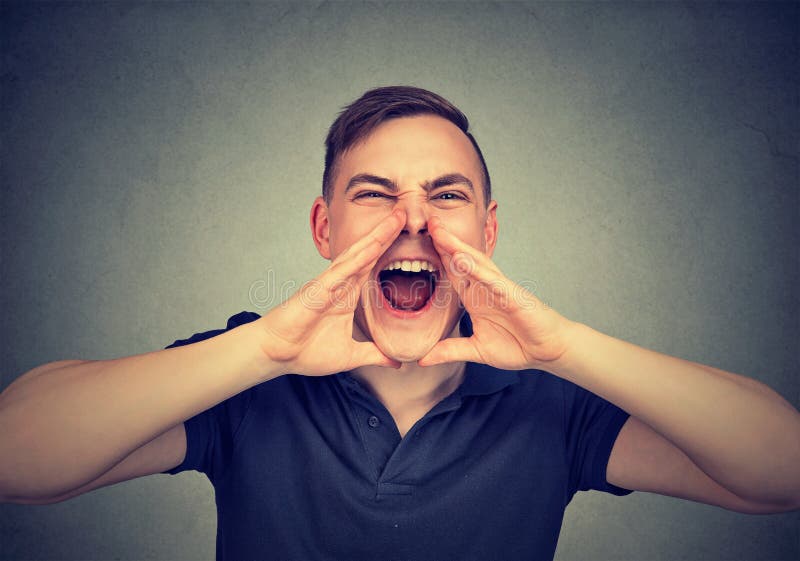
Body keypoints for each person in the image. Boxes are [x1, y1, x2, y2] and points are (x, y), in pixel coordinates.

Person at [0, 86, 798, 561]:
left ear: (488, 231)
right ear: (324, 228)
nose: (412, 221)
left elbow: (781, 473)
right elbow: (17, 456)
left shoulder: (551, 398)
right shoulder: (249, 372)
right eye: (376, 194)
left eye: (446, 196)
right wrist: (264, 350)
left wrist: (564, 347)